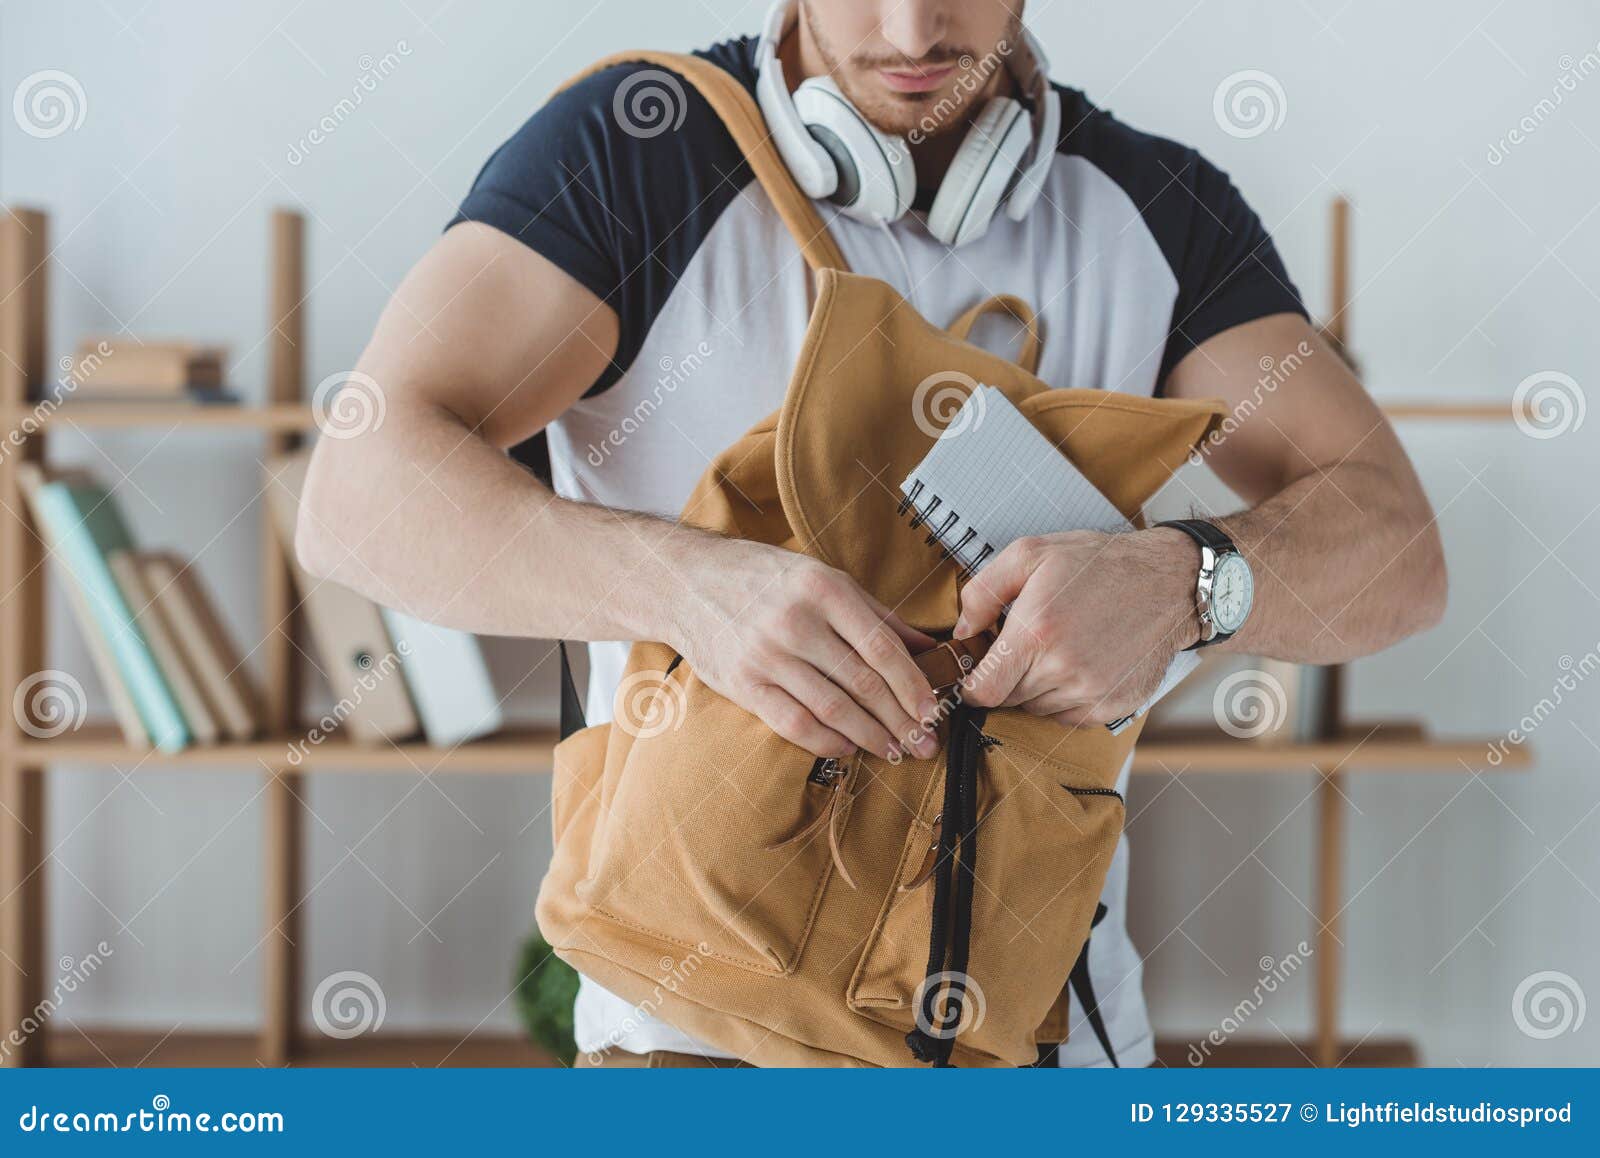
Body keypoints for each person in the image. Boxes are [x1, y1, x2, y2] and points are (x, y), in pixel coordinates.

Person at [297, 0, 1446, 1068]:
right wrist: (693, 590)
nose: (911, 29)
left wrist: (1189, 583)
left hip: (1052, 1043)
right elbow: (358, 492)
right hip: (693, 1042)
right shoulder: (635, 155)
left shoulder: (1154, 209)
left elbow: (1397, 550)